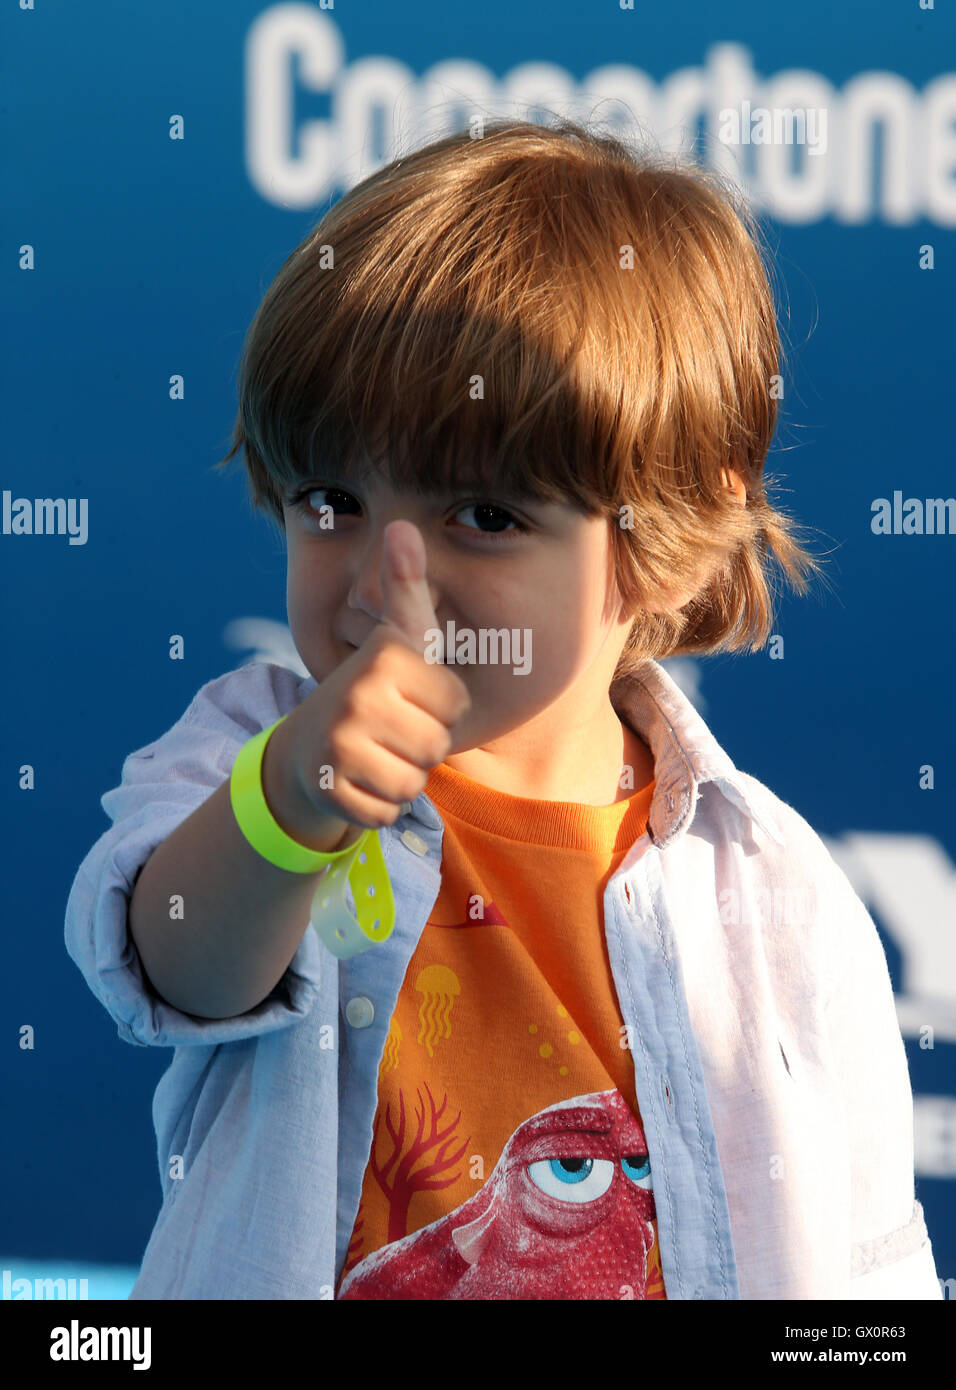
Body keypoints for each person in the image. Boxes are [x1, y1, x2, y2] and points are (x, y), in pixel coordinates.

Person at [65, 117, 941, 1300]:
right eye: (332, 498)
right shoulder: (252, 753)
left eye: (483, 514)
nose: (386, 578)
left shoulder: (775, 891)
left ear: (670, 541)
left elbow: (864, 1272)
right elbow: (179, 959)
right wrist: (291, 801)